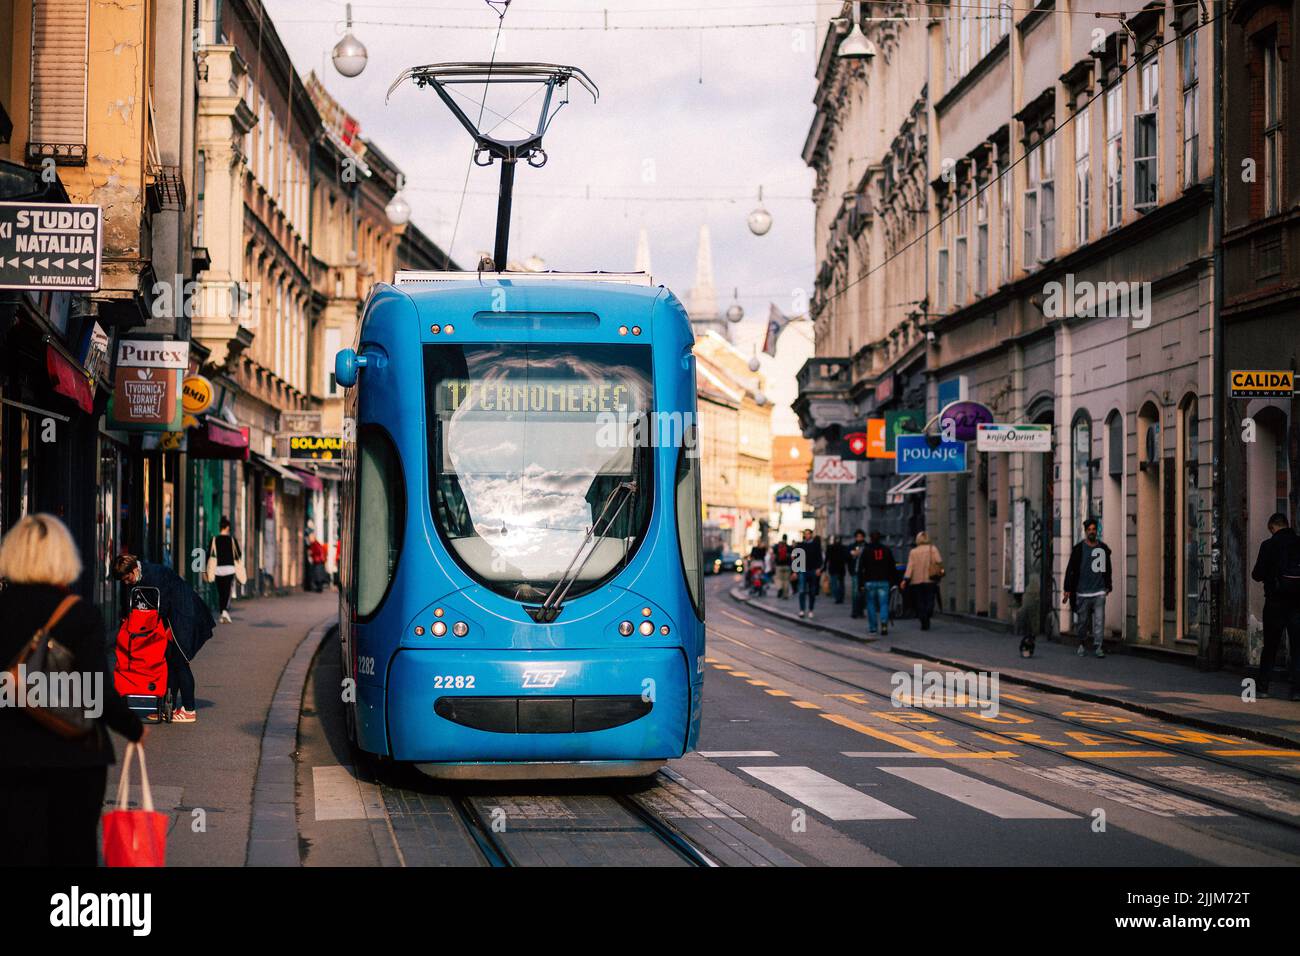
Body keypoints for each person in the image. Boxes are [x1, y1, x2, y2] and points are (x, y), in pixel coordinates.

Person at [0, 514, 147, 865]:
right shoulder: (80, 615)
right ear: (63, 557)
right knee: (73, 853)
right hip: (74, 759)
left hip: (8, 758)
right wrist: (133, 727)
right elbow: (95, 692)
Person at [111, 552, 215, 724]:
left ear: (135, 569)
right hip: (173, 617)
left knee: (181, 662)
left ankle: (189, 709)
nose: (126, 582)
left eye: (127, 578)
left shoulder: (155, 576)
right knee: (170, 662)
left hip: (184, 615)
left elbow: (163, 606)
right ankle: (169, 707)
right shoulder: (141, 577)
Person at [1250, 512, 1300, 699]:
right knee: (1297, 648)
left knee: (1270, 646)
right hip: (1297, 604)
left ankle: (1263, 688)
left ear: (1272, 527)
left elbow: (1257, 574)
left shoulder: (1268, 545)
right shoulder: (1298, 543)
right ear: (1287, 524)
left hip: (1275, 603)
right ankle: (1297, 691)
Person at [1063, 517, 1113, 658]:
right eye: (1089, 530)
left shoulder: (1102, 549)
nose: (1092, 532)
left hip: (1099, 591)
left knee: (1099, 620)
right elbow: (1070, 569)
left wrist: (1108, 585)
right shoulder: (1078, 549)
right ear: (1085, 532)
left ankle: (1098, 646)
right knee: (1082, 622)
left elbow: (1107, 569)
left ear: (1097, 531)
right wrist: (1067, 589)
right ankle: (1081, 644)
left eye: (1094, 529)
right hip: (1082, 592)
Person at [858, 531, 900, 636]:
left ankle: (873, 628)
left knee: (871, 605)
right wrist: (894, 582)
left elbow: (860, 568)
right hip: (883, 581)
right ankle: (884, 624)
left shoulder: (866, 551)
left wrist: (861, 584)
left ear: (870, 538)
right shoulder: (886, 550)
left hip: (870, 582)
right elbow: (892, 567)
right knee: (884, 604)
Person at [901, 530, 943, 631]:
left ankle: (923, 618)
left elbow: (910, 567)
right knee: (930, 599)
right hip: (930, 580)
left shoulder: (913, 552)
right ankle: (928, 613)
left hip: (916, 581)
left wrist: (905, 579)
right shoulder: (933, 549)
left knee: (919, 601)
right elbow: (939, 561)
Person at [207, 516, 242, 623]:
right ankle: (224, 611)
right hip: (229, 569)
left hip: (217, 569)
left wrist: (205, 571)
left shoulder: (214, 540)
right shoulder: (232, 540)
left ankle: (223, 612)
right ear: (227, 527)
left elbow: (208, 554)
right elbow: (238, 554)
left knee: (221, 591)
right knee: (227, 591)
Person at [793, 528, 824, 619]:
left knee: (812, 591)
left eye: (808, 534)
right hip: (802, 570)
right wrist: (795, 571)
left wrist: (819, 569)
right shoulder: (800, 545)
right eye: (805, 534)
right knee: (802, 590)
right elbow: (796, 559)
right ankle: (802, 610)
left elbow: (819, 558)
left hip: (813, 570)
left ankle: (811, 610)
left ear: (811, 535)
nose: (807, 535)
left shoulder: (815, 545)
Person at [848, 529, 868, 618]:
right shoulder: (852, 546)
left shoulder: (867, 546)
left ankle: (861, 611)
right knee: (855, 592)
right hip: (855, 572)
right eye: (857, 536)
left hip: (865, 573)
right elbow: (846, 557)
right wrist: (852, 554)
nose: (859, 538)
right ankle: (855, 611)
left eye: (860, 536)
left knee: (863, 593)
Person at [826, 535, 849, 605]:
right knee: (839, 584)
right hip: (838, 568)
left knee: (836, 584)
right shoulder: (843, 548)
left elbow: (827, 559)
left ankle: (838, 597)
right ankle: (839, 597)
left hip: (836, 568)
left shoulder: (830, 548)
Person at [773, 534, 793, 599]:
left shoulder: (777, 546)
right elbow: (792, 557)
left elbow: (774, 555)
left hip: (779, 565)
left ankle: (780, 588)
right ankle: (785, 595)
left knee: (778, 579)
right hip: (787, 566)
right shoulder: (789, 547)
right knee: (786, 580)